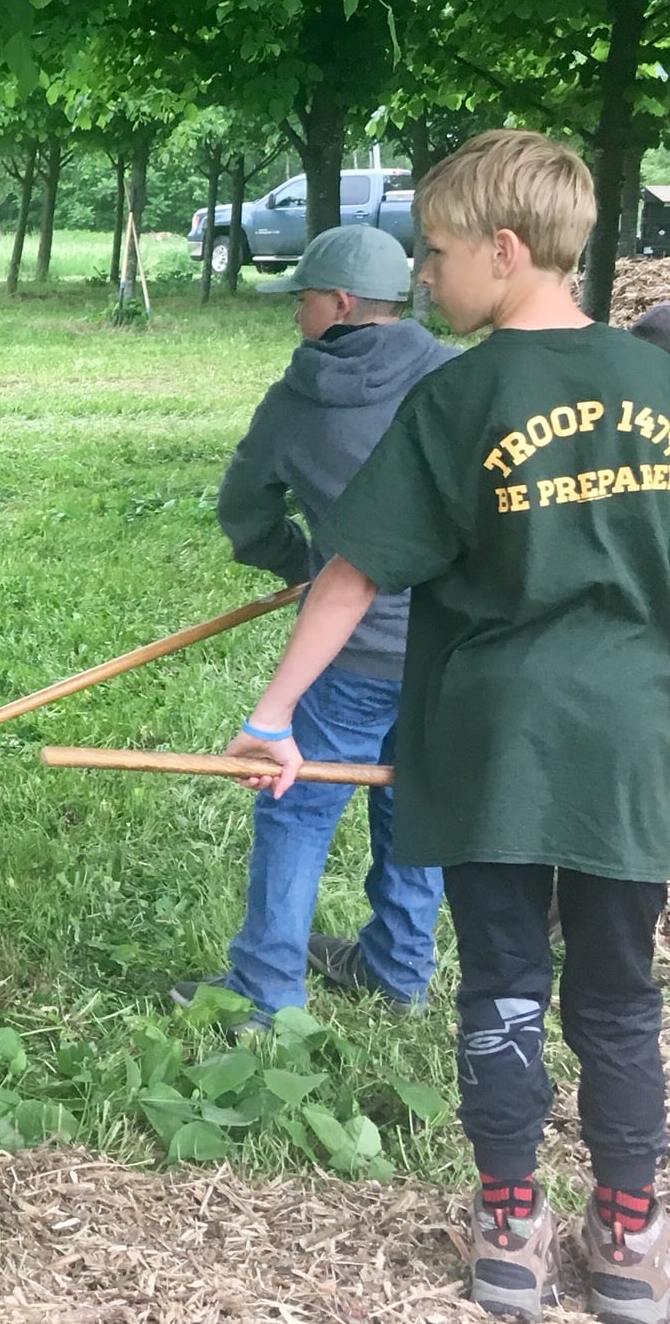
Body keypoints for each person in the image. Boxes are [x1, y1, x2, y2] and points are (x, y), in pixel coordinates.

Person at [227, 130, 670, 1321]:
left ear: (504, 251)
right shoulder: (660, 387)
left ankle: (511, 1229)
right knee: (624, 993)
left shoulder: (461, 393)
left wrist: (276, 716)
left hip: (497, 748)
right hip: (637, 750)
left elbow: (355, 571)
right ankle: (632, 1237)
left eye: (434, 253)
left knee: (508, 985)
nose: (423, 278)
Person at [172, 225, 453, 1028]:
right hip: (447, 651)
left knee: (295, 808)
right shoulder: (458, 378)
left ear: (337, 303)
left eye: (301, 299)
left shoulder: (297, 400)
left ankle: (265, 991)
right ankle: (400, 973)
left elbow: (244, 510)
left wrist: (300, 563)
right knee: (417, 805)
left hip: (349, 652)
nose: (296, 316)